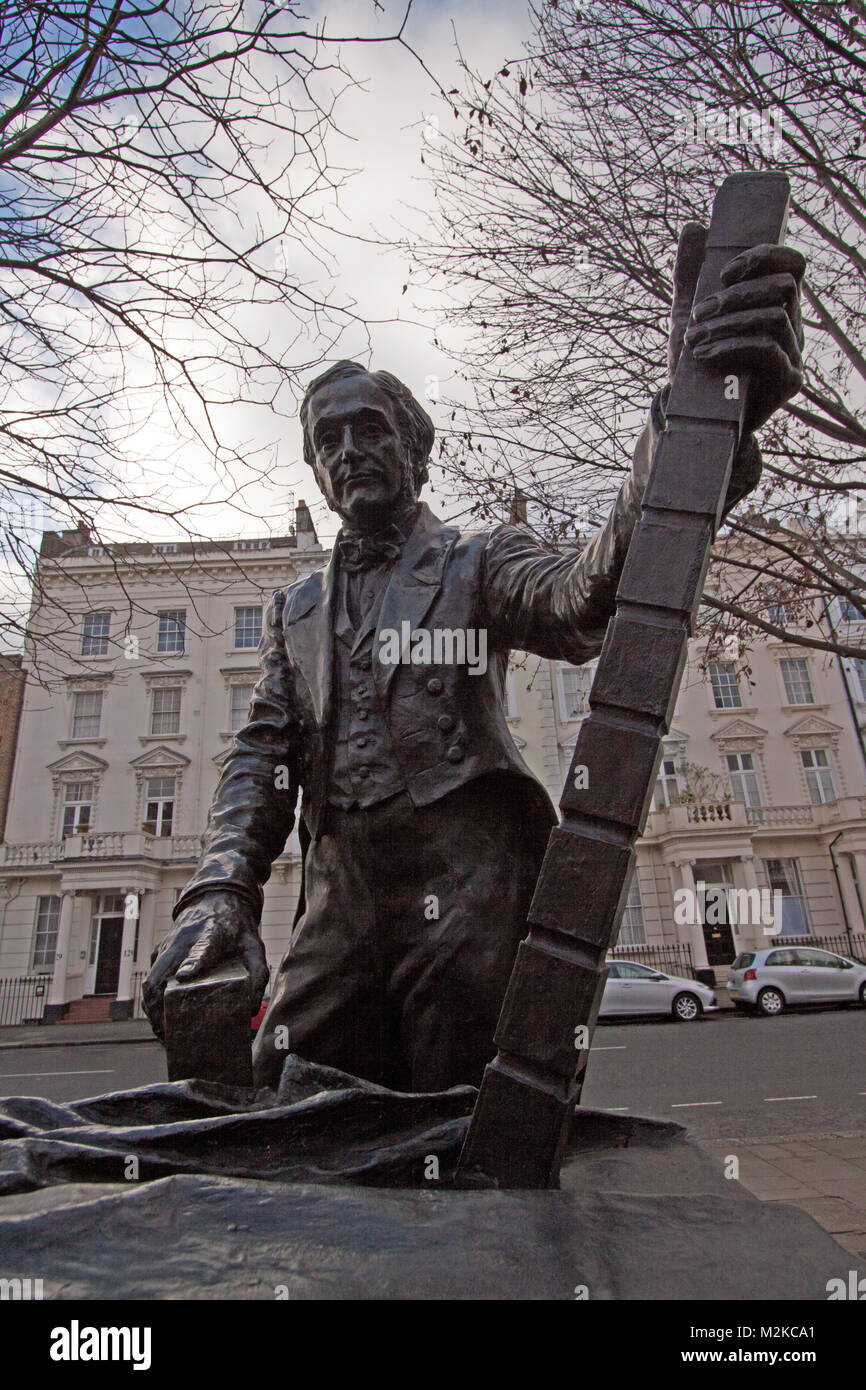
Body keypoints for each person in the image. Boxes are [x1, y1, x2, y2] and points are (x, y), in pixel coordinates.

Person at [143, 227, 805, 1091]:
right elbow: (260, 760)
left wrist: (682, 428)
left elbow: (583, 600)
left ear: (415, 450)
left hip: (466, 887)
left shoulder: (477, 562)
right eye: (328, 440)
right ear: (316, 472)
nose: (348, 452)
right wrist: (222, 888)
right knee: (285, 1082)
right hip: (341, 896)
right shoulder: (295, 610)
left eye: (368, 430)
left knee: (464, 1113)